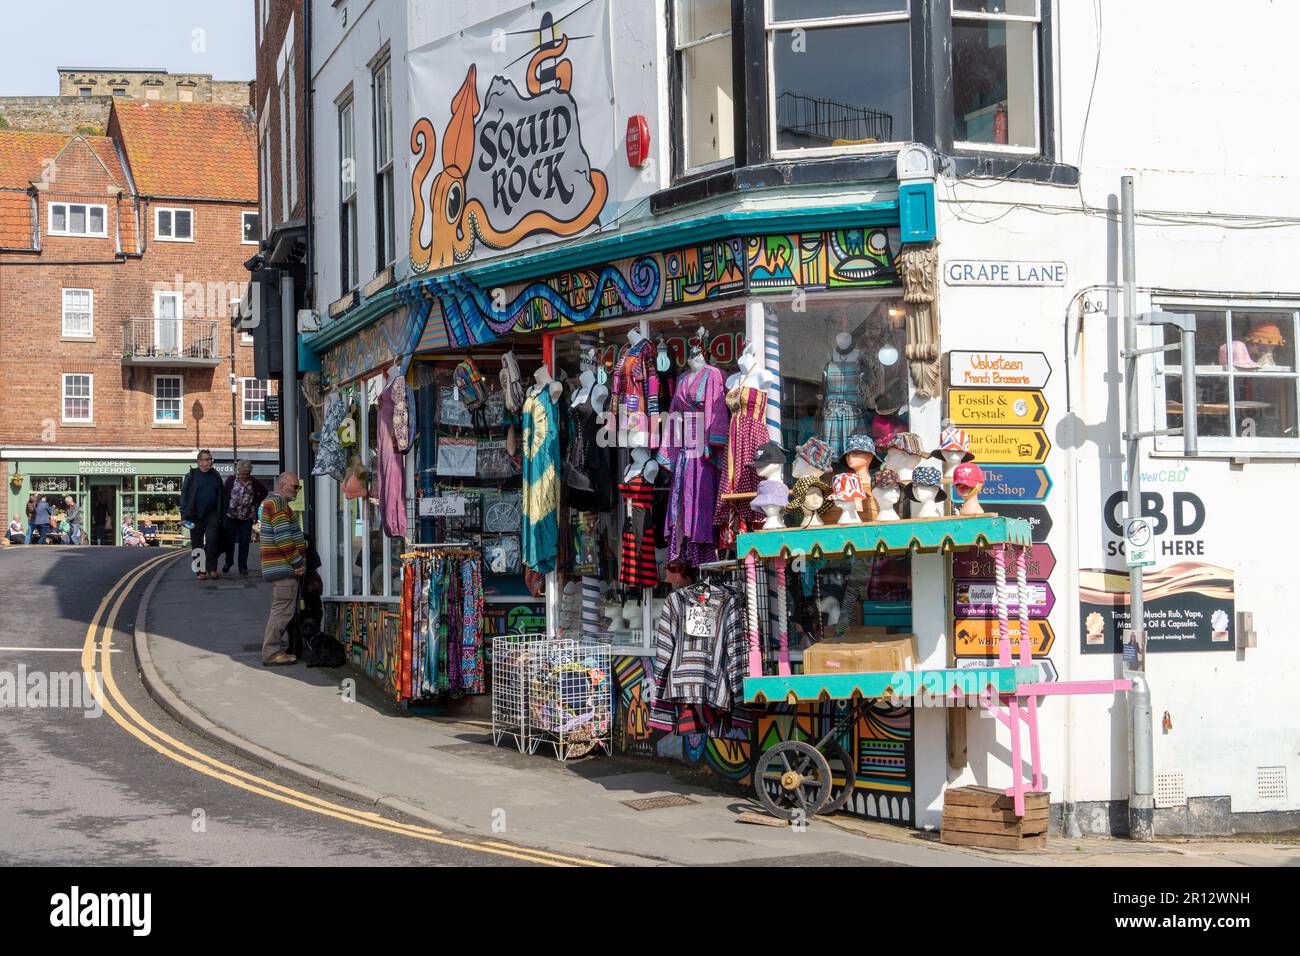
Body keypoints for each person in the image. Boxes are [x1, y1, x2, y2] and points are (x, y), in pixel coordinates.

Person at [259, 471, 305, 666]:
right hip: (283, 567)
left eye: (298, 487)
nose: (297, 490)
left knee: (281, 609)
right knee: (282, 611)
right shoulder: (278, 504)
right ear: (282, 485)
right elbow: (283, 538)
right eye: (294, 486)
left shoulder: (274, 504)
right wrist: (297, 562)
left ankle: (273, 650)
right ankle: (271, 652)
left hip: (278, 566)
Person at [179, 449, 226, 580]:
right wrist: (183, 514)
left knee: (212, 541)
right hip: (195, 515)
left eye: (210, 459)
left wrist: (222, 514)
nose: (209, 462)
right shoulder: (191, 475)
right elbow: (184, 496)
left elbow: (222, 496)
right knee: (197, 544)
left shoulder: (215, 475)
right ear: (199, 461)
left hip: (212, 515)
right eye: (206, 459)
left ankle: (212, 568)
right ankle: (200, 571)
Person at [221, 460, 267, 576]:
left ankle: (242, 567)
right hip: (230, 516)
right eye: (243, 473)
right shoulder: (231, 480)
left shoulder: (254, 483)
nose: (245, 476)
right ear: (238, 471)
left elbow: (264, 491)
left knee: (244, 543)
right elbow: (224, 495)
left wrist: (256, 502)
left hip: (246, 518)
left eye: (247, 473)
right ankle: (229, 562)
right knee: (228, 542)